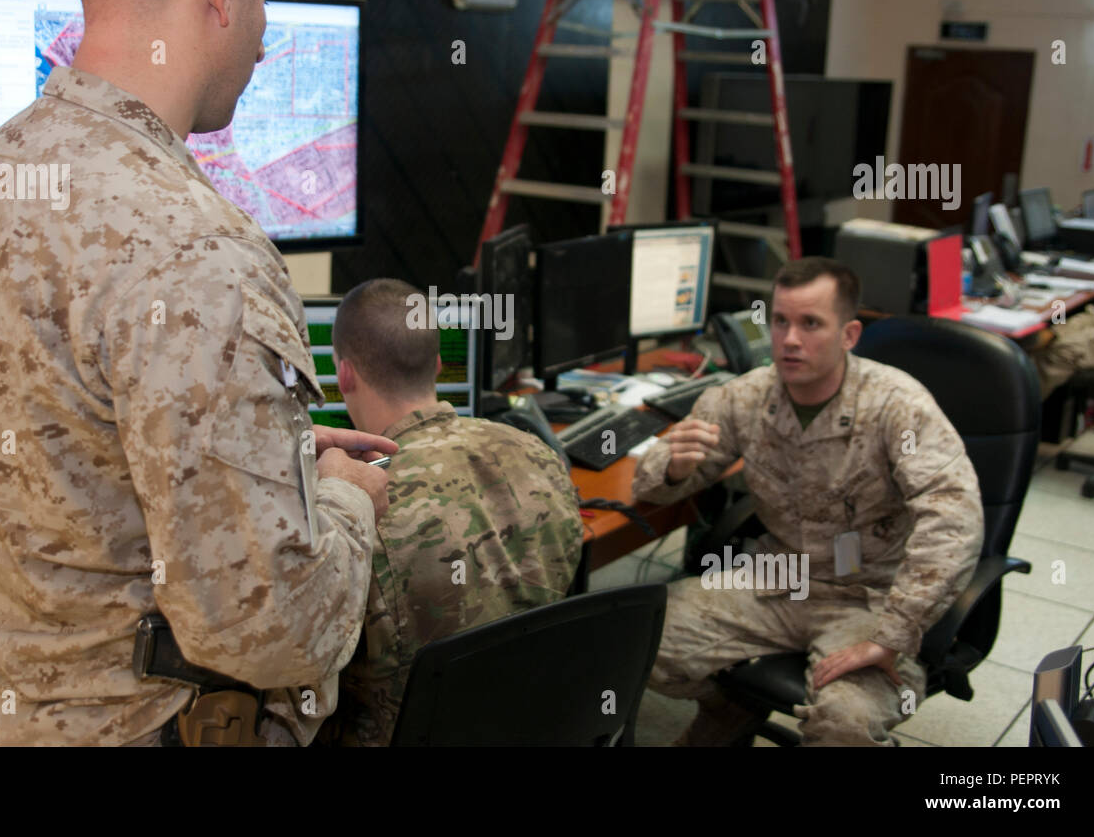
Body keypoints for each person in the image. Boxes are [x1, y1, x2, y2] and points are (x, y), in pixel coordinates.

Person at [0, 0, 394, 746]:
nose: (263, 38)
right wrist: (341, 499)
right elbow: (274, 628)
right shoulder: (197, 247)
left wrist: (271, 455)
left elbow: (75, 448)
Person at [632, 257, 983, 746]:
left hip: (871, 597)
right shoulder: (742, 398)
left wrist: (893, 635)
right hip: (777, 579)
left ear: (849, 335)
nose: (790, 339)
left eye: (811, 323)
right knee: (634, 641)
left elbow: (955, 523)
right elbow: (650, 485)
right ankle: (730, 708)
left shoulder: (898, 404)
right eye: (780, 321)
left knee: (846, 722)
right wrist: (671, 468)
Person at [317, 278, 584, 745]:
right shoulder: (541, 456)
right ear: (438, 364)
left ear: (345, 375)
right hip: (527, 724)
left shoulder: (357, 509)